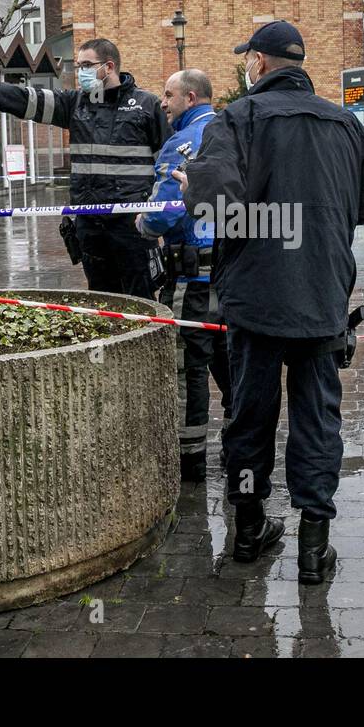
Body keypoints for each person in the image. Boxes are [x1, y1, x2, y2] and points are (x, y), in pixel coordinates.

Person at [182, 20, 364, 585]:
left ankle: (249, 529)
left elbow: (215, 207)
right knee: (318, 418)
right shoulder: (345, 124)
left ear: (260, 63)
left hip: (254, 299)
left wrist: (192, 188)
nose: (246, 67)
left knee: (249, 416)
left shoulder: (238, 119)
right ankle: (313, 548)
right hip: (322, 296)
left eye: (248, 58)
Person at [0, 40, 169, 299]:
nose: (81, 73)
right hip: (90, 225)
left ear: (109, 67)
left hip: (131, 225)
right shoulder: (75, 104)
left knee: (142, 298)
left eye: (87, 65)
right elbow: (23, 98)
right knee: (102, 301)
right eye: (79, 66)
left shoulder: (146, 105)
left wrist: (155, 214)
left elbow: (166, 165)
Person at [136, 69, 231, 483]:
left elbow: (167, 212)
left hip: (191, 277)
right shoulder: (232, 131)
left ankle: (190, 460)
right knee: (232, 363)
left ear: (190, 97)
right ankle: (238, 447)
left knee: (189, 367)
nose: (163, 103)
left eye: (168, 95)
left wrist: (142, 222)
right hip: (233, 277)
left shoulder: (183, 143)